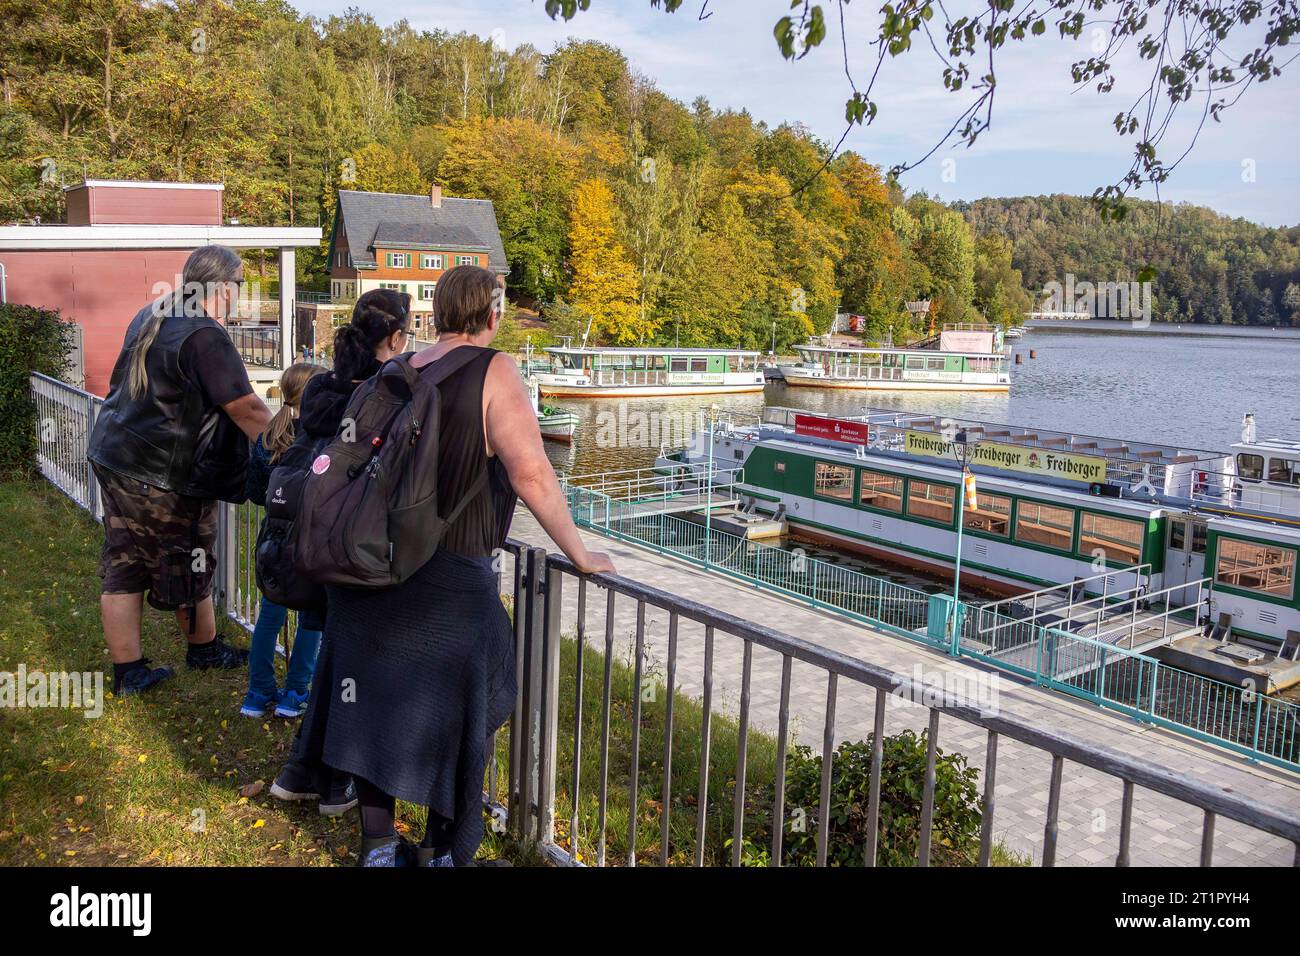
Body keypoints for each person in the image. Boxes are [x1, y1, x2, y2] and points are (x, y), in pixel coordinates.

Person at [292, 266, 615, 867]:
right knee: (468, 704)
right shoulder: (496, 370)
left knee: (374, 705)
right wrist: (579, 552)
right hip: (449, 573)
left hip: (369, 567)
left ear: (435, 314)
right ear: (492, 315)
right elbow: (531, 473)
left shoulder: (397, 370)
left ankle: (380, 847)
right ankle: (445, 847)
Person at [87, 245, 270, 696]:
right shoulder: (204, 336)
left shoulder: (154, 311)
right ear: (224, 286)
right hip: (159, 470)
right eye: (241, 284)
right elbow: (245, 407)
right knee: (190, 553)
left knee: (124, 561)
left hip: (115, 450)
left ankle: (128, 671)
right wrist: (291, 445)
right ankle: (203, 649)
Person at [268, 289, 413, 816]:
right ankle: (340, 783)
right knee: (358, 668)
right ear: (395, 337)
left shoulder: (323, 389)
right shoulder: (388, 392)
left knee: (336, 658)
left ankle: (302, 772)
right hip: (361, 546)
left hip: (314, 542)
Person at [241, 362, 327, 719]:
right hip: (310, 542)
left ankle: (257, 694)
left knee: (270, 614)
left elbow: (254, 491)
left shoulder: (267, 436)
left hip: (273, 540)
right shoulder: (321, 438)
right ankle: (295, 693)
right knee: (312, 616)